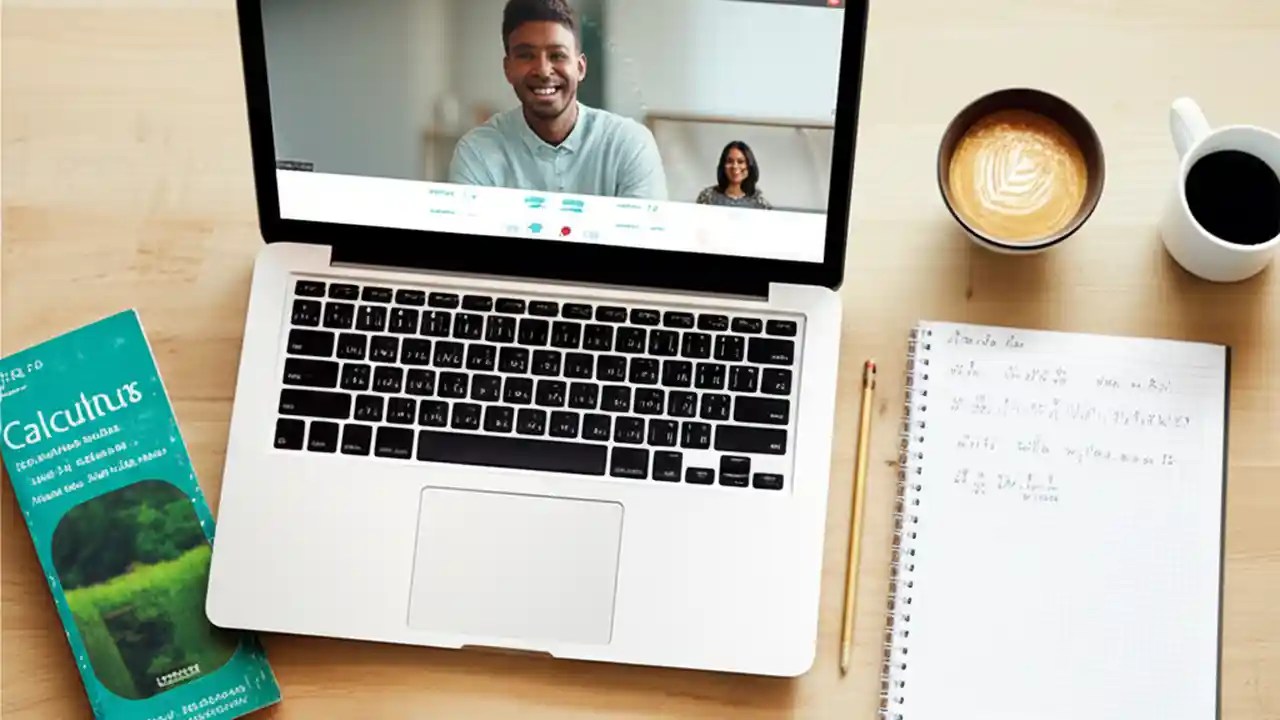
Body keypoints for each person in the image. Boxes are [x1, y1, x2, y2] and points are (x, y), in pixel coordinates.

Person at [448, 0, 667, 201]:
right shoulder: (476, 152)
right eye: (526, 55)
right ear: (508, 68)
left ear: (580, 68)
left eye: (557, 55)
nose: (543, 71)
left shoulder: (629, 145)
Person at [696, 141, 773, 210]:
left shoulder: (760, 204)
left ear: (749, 166)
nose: (735, 166)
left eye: (740, 162)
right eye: (730, 161)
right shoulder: (707, 198)